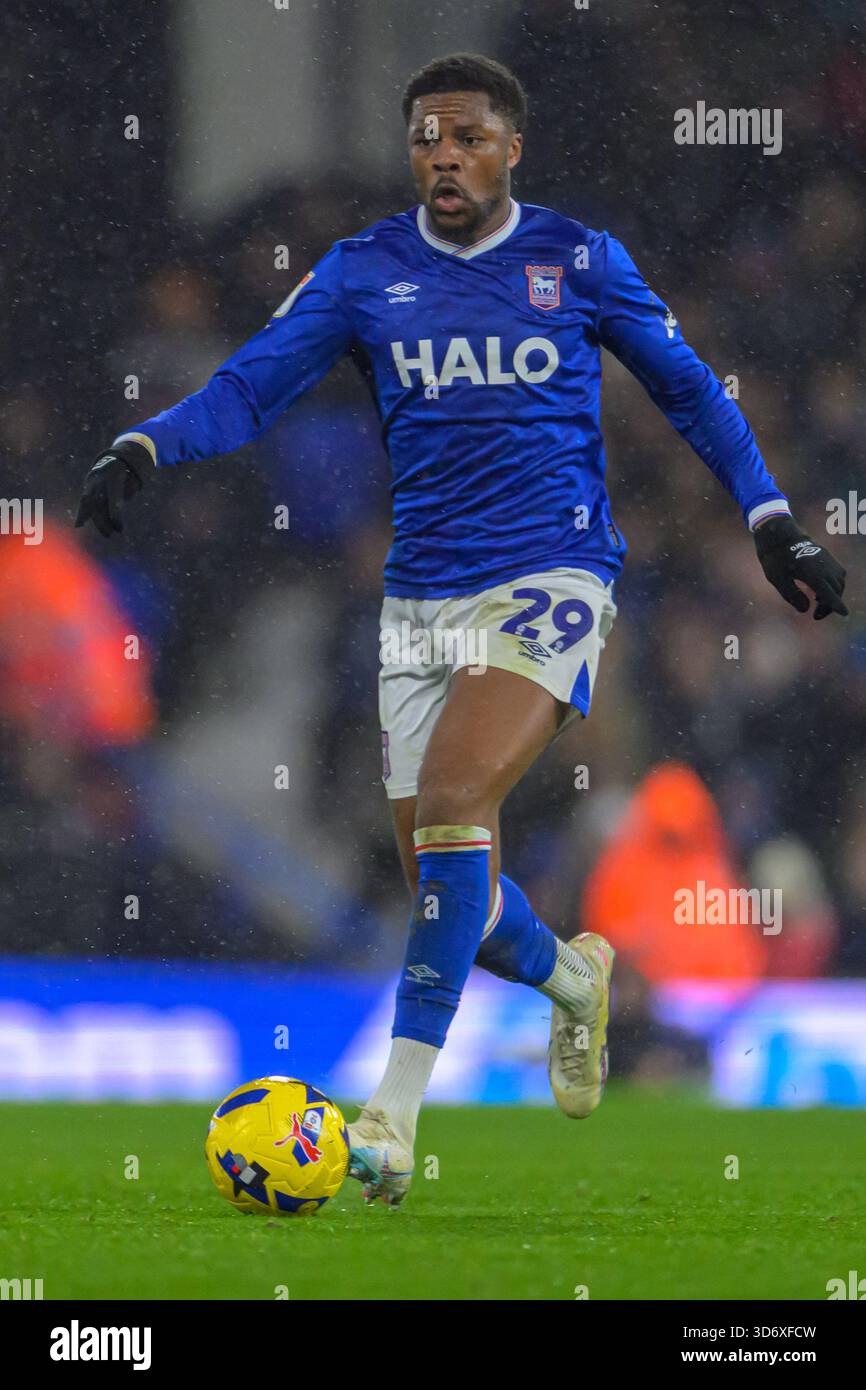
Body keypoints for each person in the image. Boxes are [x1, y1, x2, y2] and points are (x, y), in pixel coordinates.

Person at [75, 53, 847, 1207]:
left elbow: (688, 386)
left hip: (552, 576)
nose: (444, 155)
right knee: (456, 892)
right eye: (426, 138)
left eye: (467, 137)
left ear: (510, 147)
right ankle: (575, 981)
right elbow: (249, 386)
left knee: (450, 812)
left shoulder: (577, 261)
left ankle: (390, 1114)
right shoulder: (361, 271)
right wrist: (146, 443)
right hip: (419, 599)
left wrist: (771, 518)